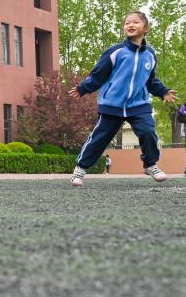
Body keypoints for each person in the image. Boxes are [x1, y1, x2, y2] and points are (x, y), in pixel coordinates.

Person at [67, 11, 178, 186]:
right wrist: (83, 88)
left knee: (148, 132)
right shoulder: (115, 52)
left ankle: (150, 165)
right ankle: (80, 168)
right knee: (99, 138)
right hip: (112, 104)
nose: (130, 25)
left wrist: (162, 91)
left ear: (146, 29)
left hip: (138, 104)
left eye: (135, 22)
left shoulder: (150, 54)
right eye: (127, 23)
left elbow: (150, 80)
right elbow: (98, 74)